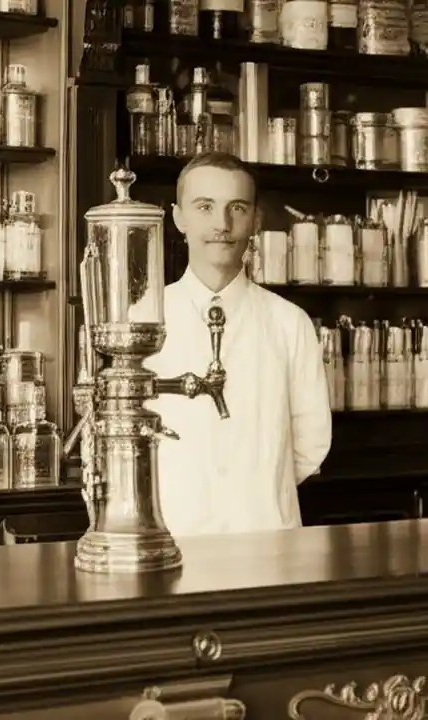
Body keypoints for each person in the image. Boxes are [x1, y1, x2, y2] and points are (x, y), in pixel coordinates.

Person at [143, 152, 332, 536]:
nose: (222, 224)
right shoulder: (141, 318)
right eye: (205, 207)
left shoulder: (289, 322)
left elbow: (312, 443)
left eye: (237, 208)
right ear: (179, 217)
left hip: (267, 538)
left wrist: (254, 493)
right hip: (172, 538)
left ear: (256, 220)